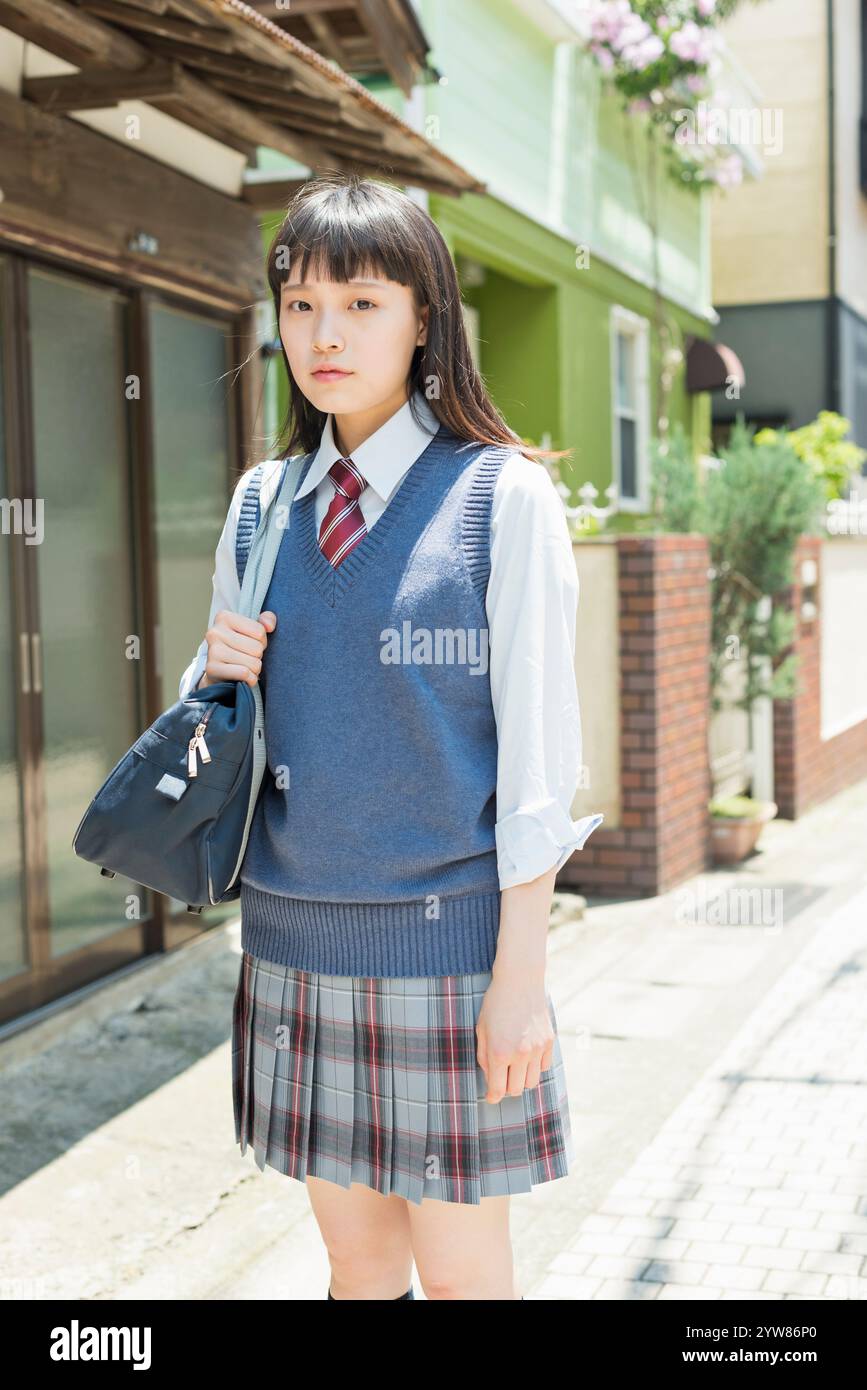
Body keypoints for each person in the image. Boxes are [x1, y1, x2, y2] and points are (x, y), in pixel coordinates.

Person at [179, 174, 603, 1301]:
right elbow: (221, 725)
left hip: (450, 958)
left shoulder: (498, 497)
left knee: (465, 1278)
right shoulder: (264, 503)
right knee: (355, 1265)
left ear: (425, 318)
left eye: (362, 303)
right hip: (293, 943)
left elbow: (540, 760)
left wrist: (522, 975)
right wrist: (209, 673)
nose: (326, 333)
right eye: (303, 303)